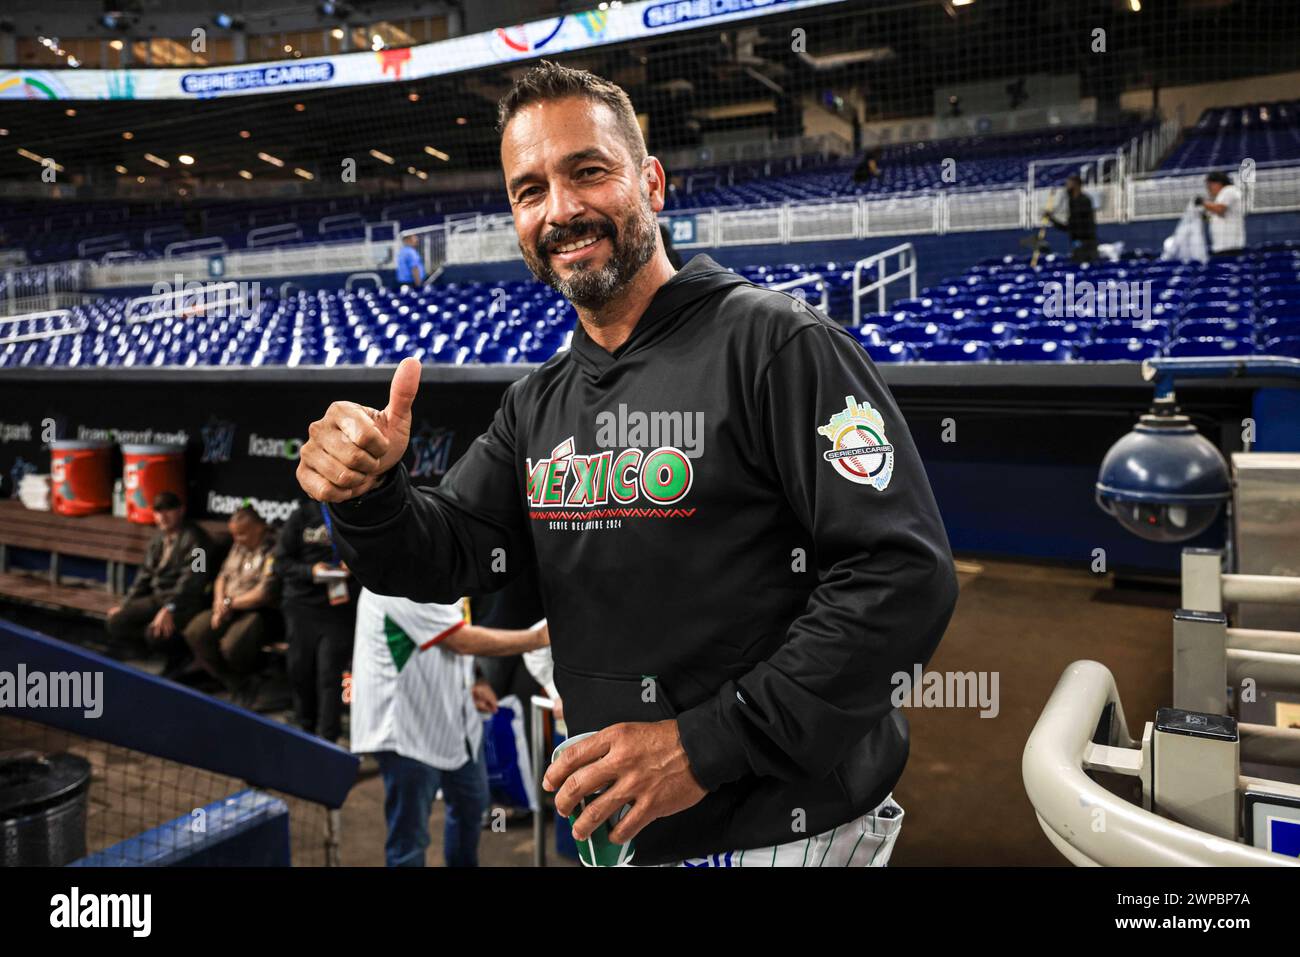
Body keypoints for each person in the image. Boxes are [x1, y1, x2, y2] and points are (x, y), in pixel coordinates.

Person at [296, 61, 956, 868]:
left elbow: (902, 576)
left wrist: (704, 745)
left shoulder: (778, 344)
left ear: (651, 182)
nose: (562, 210)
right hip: (625, 835)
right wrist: (371, 496)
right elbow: (446, 551)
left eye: (588, 173)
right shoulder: (537, 403)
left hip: (786, 831)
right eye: (529, 189)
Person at [350, 589, 549, 866]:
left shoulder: (440, 576)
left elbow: (454, 632)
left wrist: (477, 678)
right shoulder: (393, 581)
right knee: (410, 837)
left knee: (473, 804)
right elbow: (460, 640)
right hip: (405, 730)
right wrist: (539, 638)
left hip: (454, 719)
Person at [273, 498, 356, 743]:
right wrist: (310, 571)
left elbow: (374, 557)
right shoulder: (301, 516)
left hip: (339, 608)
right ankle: (305, 732)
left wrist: (355, 566)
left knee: (330, 675)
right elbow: (281, 563)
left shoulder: (357, 515)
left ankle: (329, 740)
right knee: (301, 671)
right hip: (302, 606)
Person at [106, 491, 213, 678]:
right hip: (158, 598)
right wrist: (125, 604)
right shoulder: (157, 539)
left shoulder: (198, 540)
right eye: (158, 511)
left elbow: (195, 581)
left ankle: (180, 660)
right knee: (117, 620)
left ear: (181, 511)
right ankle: (145, 658)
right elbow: (144, 577)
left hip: (186, 603)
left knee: (156, 633)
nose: (163, 516)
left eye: (168, 510)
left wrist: (170, 607)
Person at [182, 506, 277, 705]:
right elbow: (222, 576)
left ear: (259, 528)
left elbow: (264, 593)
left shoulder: (272, 548)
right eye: (234, 534)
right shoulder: (238, 546)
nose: (237, 539)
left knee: (232, 646)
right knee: (195, 632)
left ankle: (251, 680)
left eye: (242, 533)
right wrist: (219, 602)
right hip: (227, 605)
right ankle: (235, 683)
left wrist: (228, 604)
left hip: (257, 611)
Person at [1042, 173, 1098, 263]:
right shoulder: (1072, 202)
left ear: (1076, 185)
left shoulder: (1084, 201)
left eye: (1069, 184)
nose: (1066, 187)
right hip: (1078, 244)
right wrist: (1051, 219)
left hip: (1086, 245)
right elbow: (1069, 227)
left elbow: (1075, 226)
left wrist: (1052, 219)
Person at [1198, 170, 1246, 257]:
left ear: (1218, 183)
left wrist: (1202, 203)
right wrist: (1201, 214)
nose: (1209, 190)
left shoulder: (1229, 190)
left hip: (1230, 245)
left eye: (1210, 186)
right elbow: (1209, 219)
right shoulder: (1218, 198)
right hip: (1220, 246)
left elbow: (1220, 209)